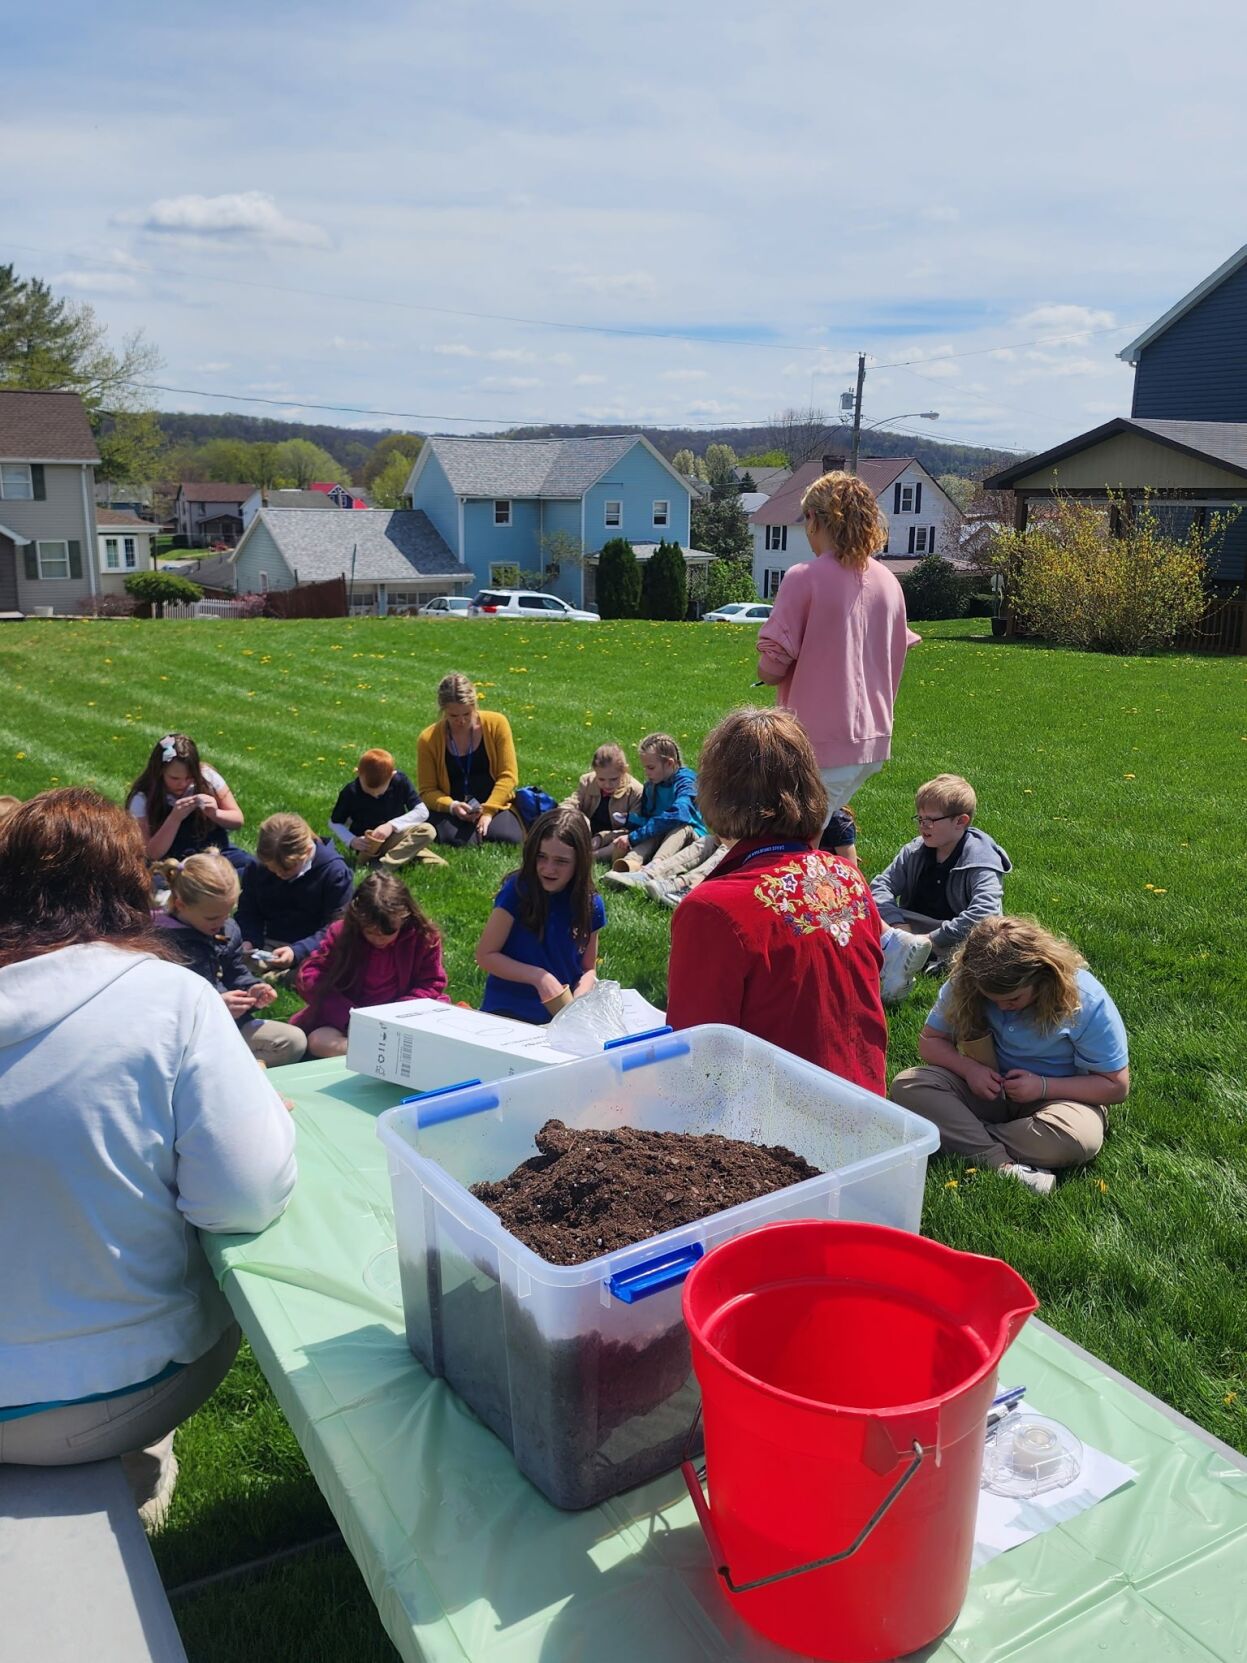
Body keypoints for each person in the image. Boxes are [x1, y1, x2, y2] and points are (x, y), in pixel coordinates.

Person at [0, 790, 296, 1525]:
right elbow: (243, 1196)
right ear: (132, 886)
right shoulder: (172, 999)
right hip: (121, 1390)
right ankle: (143, 1468)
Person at [665, 708, 887, 1093]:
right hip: (866, 1111)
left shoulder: (712, 909)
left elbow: (696, 1061)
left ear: (716, 792)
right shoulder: (846, 878)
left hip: (774, 1131)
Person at [889, 916, 1130, 1196]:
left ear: (1041, 977)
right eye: (992, 1000)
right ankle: (1001, 1164)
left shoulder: (1084, 998)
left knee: (1079, 1139)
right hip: (986, 1090)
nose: (1002, 1008)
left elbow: (1116, 1085)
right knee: (908, 1084)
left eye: (1013, 999)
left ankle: (957, 1134)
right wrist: (969, 1070)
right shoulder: (967, 982)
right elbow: (930, 1042)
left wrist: (1042, 1086)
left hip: (1061, 1100)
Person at [756, 470, 919, 823]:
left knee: (790, 840)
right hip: (872, 743)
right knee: (808, 832)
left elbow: (772, 668)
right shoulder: (889, 582)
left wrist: (766, 668)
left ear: (814, 519)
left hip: (817, 744)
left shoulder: (804, 577)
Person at [152, 852, 307, 1067]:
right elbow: (160, 1010)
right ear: (180, 904)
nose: (223, 922)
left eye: (228, 913)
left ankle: (234, 1068)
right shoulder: (159, 944)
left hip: (229, 1026)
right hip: (183, 1040)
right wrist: (214, 1006)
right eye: (213, 917)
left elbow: (236, 971)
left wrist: (253, 988)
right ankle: (233, 1070)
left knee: (293, 1041)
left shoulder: (226, 930)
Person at [871, 773, 1012, 1004]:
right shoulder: (914, 850)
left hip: (956, 936)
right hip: (911, 926)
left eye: (931, 820)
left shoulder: (981, 859)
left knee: (991, 944)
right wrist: (899, 927)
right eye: (920, 818)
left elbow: (985, 912)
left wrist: (932, 938)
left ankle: (919, 961)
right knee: (861, 910)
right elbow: (880, 886)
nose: (923, 827)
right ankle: (908, 955)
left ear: (961, 821)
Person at [292, 872, 448, 1057]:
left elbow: (431, 983)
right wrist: (348, 1017)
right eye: (370, 932)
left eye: (388, 932)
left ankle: (378, 1054)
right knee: (319, 1040)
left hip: (403, 1020)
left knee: (441, 1033)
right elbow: (311, 977)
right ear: (358, 920)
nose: (378, 939)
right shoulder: (341, 934)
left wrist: (395, 1014)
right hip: (347, 1022)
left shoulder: (424, 938)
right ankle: (374, 1054)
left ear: (405, 916)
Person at [476, 807, 606, 1025]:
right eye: (541, 857)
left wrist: (578, 1001)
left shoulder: (590, 904)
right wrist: (539, 977)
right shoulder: (516, 892)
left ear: (580, 862)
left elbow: (588, 967)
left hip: (560, 1017)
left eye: (561, 861)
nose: (548, 868)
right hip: (508, 1010)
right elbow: (486, 955)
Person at [630, 804, 860, 910]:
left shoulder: (837, 820)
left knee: (728, 849)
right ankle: (657, 874)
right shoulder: (790, 811)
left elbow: (849, 870)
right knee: (712, 841)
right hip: (780, 868)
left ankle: (686, 886)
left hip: (811, 882)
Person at [237, 812, 354, 977]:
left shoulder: (335, 873)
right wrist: (248, 939)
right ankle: (280, 974)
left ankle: (291, 975)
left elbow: (336, 928)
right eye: (272, 868)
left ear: (307, 851)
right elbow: (248, 911)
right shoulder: (257, 867)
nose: (278, 874)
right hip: (267, 940)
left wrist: (297, 951)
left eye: (286, 869)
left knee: (337, 964)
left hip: (313, 945)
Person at [417, 671, 523, 846]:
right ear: (443, 711)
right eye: (453, 716)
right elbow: (427, 790)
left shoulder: (497, 724)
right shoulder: (428, 739)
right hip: (454, 806)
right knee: (457, 841)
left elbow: (508, 776)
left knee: (507, 837)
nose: (461, 721)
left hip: (494, 801)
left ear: (475, 705)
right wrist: (452, 806)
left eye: (467, 714)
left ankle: (488, 822)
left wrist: (489, 811)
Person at [126, 732, 253, 876]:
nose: (183, 784)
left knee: (255, 870)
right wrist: (174, 818)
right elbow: (151, 853)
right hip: (173, 862)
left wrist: (215, 813)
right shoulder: (143, 797)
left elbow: (237, 821)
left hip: (215, 852)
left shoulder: (207, 778)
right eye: (175, 778)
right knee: (166, 887)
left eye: (190, 777)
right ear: (159, 772)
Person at [599, 733, 705, 884]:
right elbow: (652, 821)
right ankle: (626, 867)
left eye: (651, 767)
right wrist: (630, 819)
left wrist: (633, 837)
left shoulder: (687, 782)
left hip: (691, 840)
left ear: (669, 763)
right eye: (645, 767)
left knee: (680, 826)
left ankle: (655, 867)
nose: (646, 773)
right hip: (663, 839)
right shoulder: (651, 787)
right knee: (656, 828)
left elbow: (680, 814)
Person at [329, 747, 446, 870]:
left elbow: (422, 812)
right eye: (368, 791)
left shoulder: (400, 782)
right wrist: (352, 840)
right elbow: (334, 822)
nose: (374, 795)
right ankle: (385, 866)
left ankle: (383, 862)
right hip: (369, 846)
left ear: (392, 776)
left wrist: (390, 826)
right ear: (358, 773)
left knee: (429, 835)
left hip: (396, 836)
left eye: (379, 792)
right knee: (424, 847)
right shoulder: (350, 792)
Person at [561, 742, 645, 860]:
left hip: (614, 835)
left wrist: (601, 838)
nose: (607, 784)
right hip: (589, 830)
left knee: (620, 843)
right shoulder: (587, 781)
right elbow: (574, 801)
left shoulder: (635, 791)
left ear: (624, 771)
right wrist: (564, 812)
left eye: (613, 779)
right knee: (573, 821)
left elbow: (633, 828)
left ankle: (591, 856)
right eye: (601, 779)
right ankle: (577, 850)